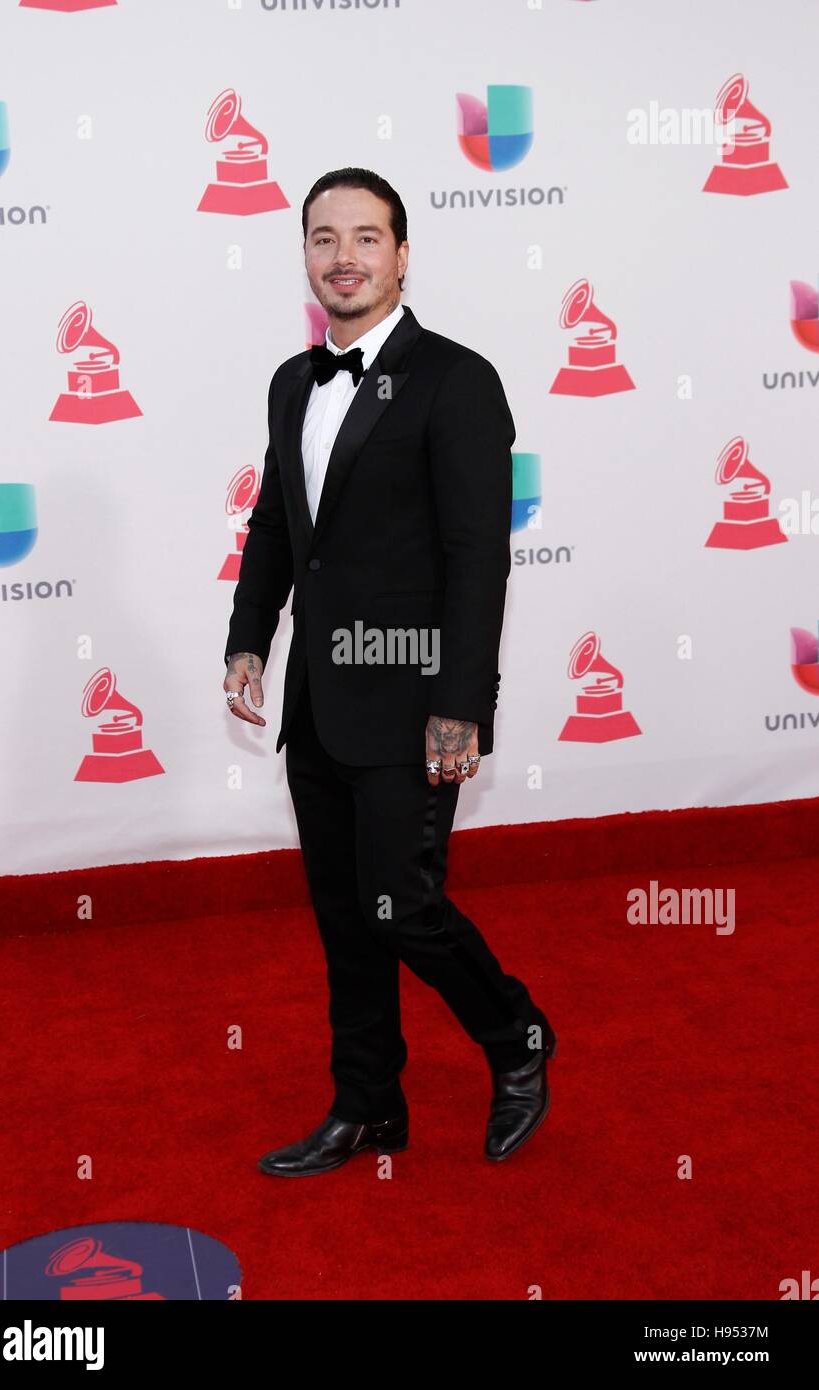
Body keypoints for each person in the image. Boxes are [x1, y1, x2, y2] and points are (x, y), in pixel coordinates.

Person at [223, 167, 556, 1174]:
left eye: (365, 238)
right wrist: (249, 637)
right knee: (341, 914)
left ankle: (518, 1039)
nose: (343, 258)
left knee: (401, 904)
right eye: (323, 239)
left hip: (413, 704)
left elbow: (476, 558)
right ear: (305, 256)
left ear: (401, 255)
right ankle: (367, 1105)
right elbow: (279, 526)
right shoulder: (292, 381)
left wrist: (461, 705)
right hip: (319, 705)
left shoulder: (457, 380)